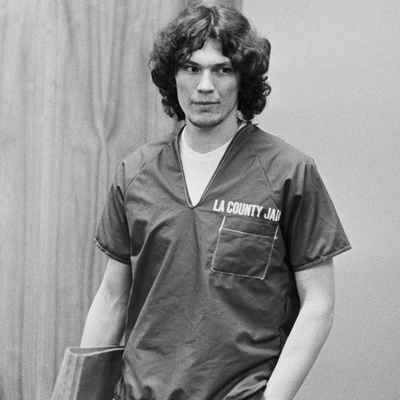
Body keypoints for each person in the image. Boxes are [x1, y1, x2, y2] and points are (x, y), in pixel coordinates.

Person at [80, 4, 351, 400]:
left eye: (222, 69)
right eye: (191, 68)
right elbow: (112, 297)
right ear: (172, 77)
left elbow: (319, 304)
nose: (205, 85)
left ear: (243, 79)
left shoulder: (289, 172)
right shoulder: (136, 172)